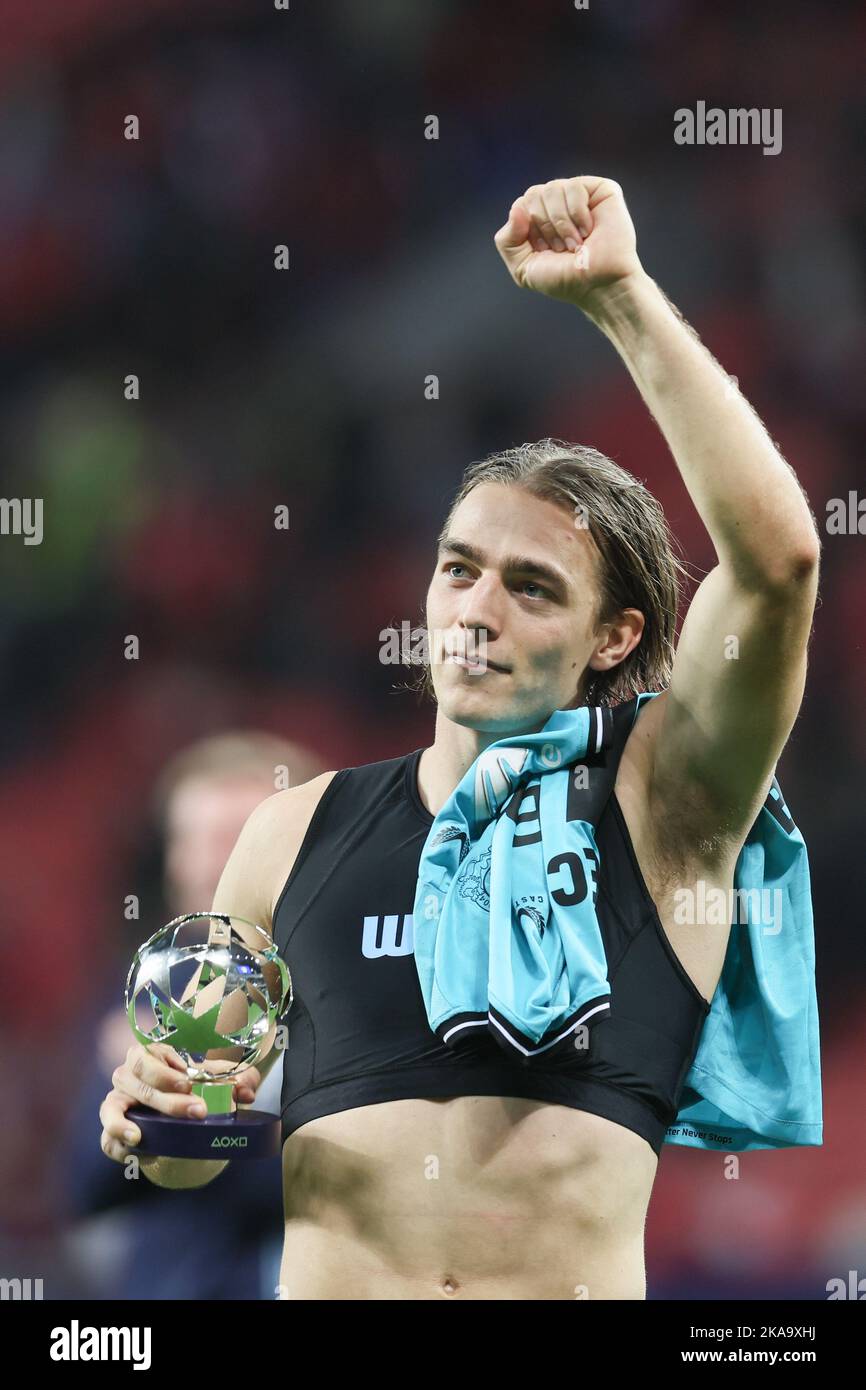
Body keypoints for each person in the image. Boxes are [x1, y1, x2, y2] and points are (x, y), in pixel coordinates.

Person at [98, 175, 821, 1300]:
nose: (476, 607)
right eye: (457, 569)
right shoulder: (288, 835)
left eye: (532, 586)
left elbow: (777, 566)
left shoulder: (661, 809)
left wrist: (621, 298)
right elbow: (189, 1152)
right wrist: (157, 1118)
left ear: (611, 634)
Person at [67, 731, 325, 1299]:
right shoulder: (145, 999)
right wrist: (143, 1105)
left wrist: (215, 1127)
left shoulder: (358, 987)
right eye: (191, 839)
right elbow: (86, 1183)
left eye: (233, 839)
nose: (209, 862)